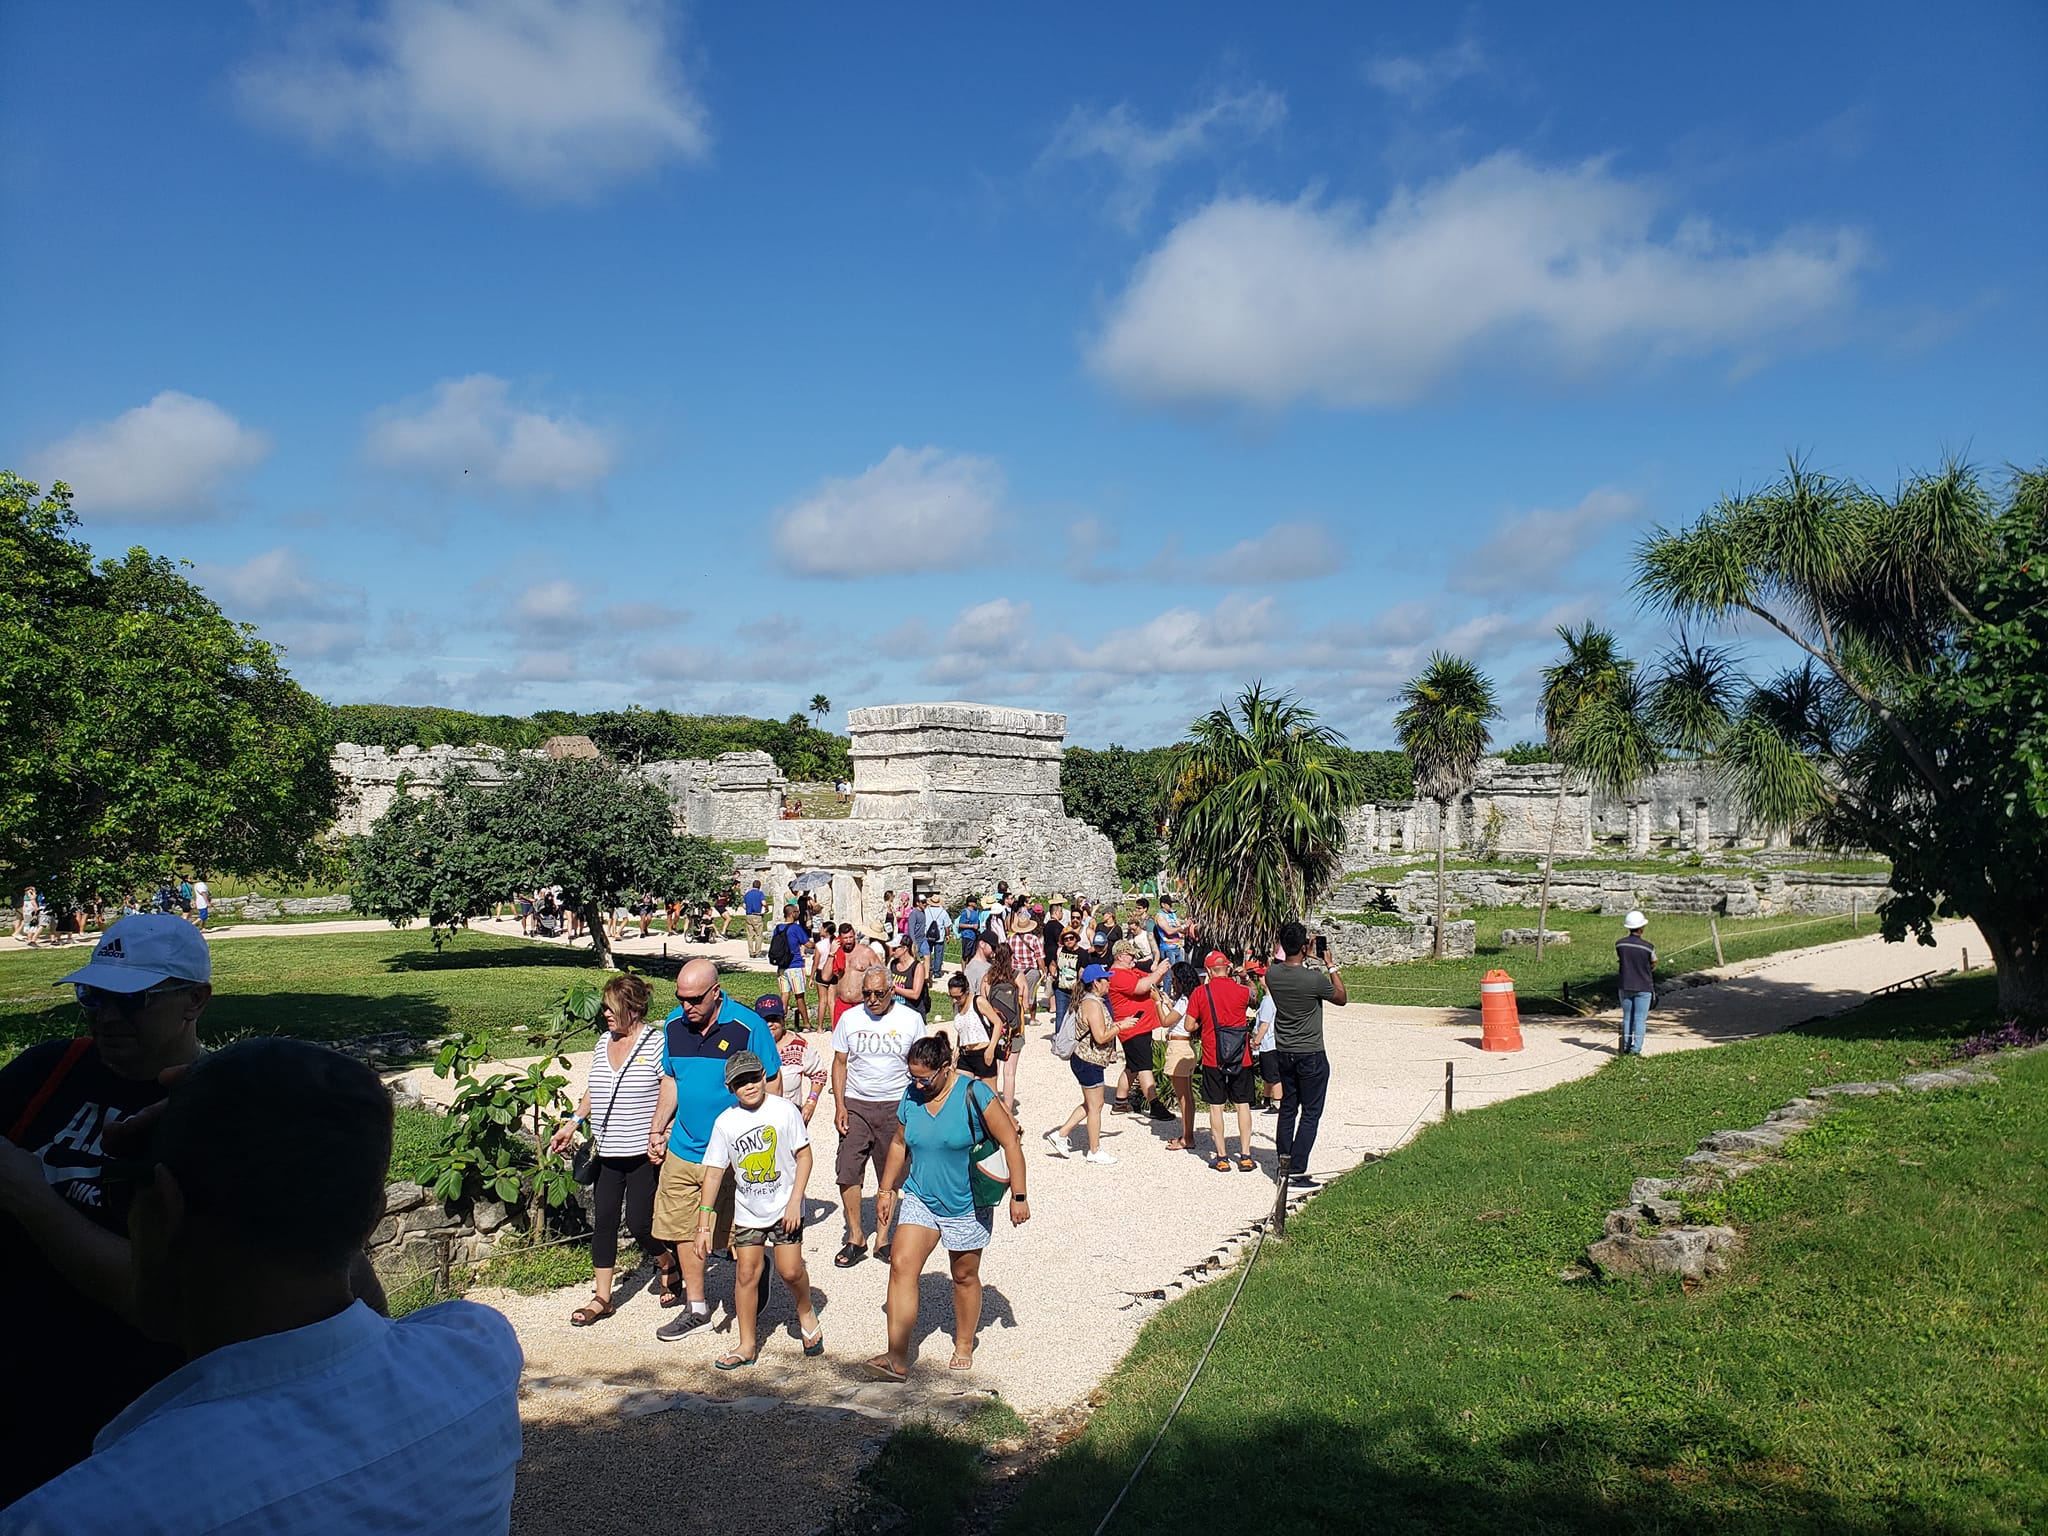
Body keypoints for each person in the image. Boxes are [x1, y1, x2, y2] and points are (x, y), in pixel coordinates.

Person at [2, 1038, 521, 1532]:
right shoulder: (479, 1352)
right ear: (374, 1217)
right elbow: (373, 1324)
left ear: (164, 1207)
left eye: (121, 1193)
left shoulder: (74, 1515)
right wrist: (294, 1098)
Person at [0, 916, 212, 1503]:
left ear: (195, 1001)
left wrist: (30, 1197)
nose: (106, 1017)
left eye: (132, 999)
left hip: (122, 1412)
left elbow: (166, 1298)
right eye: (92, 995)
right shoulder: (50, 1069)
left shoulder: (214, 1110)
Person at [866, 1036, 1029, 1380]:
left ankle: (964, 1343)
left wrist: (1019, 1196)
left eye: (924, 1078)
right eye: (912, 1077)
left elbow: (1010, 1142)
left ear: (945, 1068)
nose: (917, 1084)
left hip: (965, 1202)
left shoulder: (975, 1093)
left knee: (963, 1275)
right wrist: (885, 1190)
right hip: (921, 1196)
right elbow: (898, 1143)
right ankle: (896, 1357)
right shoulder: (912, 1096)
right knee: (901, 1265)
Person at [646, 958, 784, 1342]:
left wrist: (770, 1140)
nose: (686, 1006)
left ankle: (756, 1272)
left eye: (695, 999)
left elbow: (772, 1082)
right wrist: (657, 1128)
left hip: (735, 1154)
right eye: (681, 998)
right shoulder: (673, 1025)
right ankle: (697, 1309)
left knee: (738, 1232)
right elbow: (671, 1080)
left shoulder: (748, 1027)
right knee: (682, 1228)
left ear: (716, 992)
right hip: (683, 1147)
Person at [546, 974, 666, 1325]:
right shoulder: (603, 1042)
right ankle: (602, 1297)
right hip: (607, 1150)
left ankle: (667, 1261)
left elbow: (669, 1091)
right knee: (605, 1222)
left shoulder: (656, 1044)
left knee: (641, 1224)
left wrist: (664, 1131)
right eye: (604, 1008)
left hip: (642, 1152)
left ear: (634, 1008)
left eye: (612, 1008)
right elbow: (596, 1089)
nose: (606, 1014)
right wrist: (572, 1123)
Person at [697, 1051, 824, 1370]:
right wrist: (703, 1224)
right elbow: (713, 1173)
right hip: (748, 1210)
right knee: (746, 1273)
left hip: (785, 1204)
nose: (749, 1085)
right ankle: (747, 1344)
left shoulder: (785, 1111)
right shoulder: (726, 1122)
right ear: (730, 1088)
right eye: (740, 1082)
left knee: (790, 1270)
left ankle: (805, 1309)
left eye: (754, 1078)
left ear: (764, 1076)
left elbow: (804, 1157)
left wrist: (795, 1201)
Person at [828, 970, 926, 1268]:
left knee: (890, 1173)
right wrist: (839, 1105)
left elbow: (922, 1063)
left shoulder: (911, 1020)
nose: (872, 999)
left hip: (896, 1104)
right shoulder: (850, 1019)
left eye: (879, 994)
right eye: (867, 993)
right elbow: (840, 1062)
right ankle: (856, 1236)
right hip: (857, 1103)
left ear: (891, 991)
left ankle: (883, 1239)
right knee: (848, 1169)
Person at [1265, 920, 1347, 1189]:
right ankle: (1297, 1169)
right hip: (1310, 1051)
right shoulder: (1313, 979)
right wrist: (1329, 964)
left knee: (1288, 1108)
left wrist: (1302, 955)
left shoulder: (1272, 975)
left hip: (1284, 1050)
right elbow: (1341, 997)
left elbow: (1284, 964)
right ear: (1303, 946)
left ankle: (1283, 1163)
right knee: (1311, 1112)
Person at [1185, 951, 1258, 1171]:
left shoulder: (1200, 992)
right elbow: (1254, 996)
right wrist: (1245, 978)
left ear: (1208, 971)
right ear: (1227, 968)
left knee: (1216, 1107)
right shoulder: (1241, 991)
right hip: (1240, 1055)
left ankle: (1222, 1157)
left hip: (1213, 1055)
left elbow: (1188, 1025)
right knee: (1242, 1105)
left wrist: (1203, 1023)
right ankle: (1245, 1155)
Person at [1045, 963, 1119, 1164]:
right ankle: (1094, 1150)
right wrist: (1120, 1027)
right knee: (1096, 1106)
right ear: (1096, 983)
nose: (1109, 983)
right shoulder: (1092, 1004)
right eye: (1106, 979)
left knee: (1092, 1103)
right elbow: (1101, 1036)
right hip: (1089, 1060)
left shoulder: (1090, 1001)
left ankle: (1061, 1134)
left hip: (1086, 1059)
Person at [1108, 941, 1176, 1121]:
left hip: (1140, 1026)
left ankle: (1120, 1102)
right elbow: (1140, 987)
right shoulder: (1116, 975)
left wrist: (1160, 972)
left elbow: (1150, 981)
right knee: (1144, 1065)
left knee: (1133, 1065)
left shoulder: (1131, 971)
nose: (1134, 958)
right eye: (1130, 955)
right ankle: (1155, 1105)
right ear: (1120, 956)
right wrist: (1159, 972)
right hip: (1132, 1028)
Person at [1156, 959, 1203, 1152]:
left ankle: (1187, 1138)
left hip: (1178, 1046)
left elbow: (1166, 1021)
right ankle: (1187, 1134)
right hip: (1186, 1046)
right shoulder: (1190, 998)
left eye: (1175, 979)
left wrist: (1157, 1002)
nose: (1173, 983)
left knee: (1183, 1096)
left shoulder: (1184, 1000)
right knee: (1188, 1096)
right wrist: (1169, 1003)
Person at [978, 942, 1025, 1112]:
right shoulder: (1018, 977)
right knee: (1010, 1072)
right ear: (1011, 957)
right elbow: (1026, 1003)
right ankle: (1008, 1110)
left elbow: (983, 1004)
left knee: (993, 1070)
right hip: (1015, 1030)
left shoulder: (987, 978)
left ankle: (992, 1108)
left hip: (994, 1030)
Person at [1617, 911, 1656, 1055]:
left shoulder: (1620, 944)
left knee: (1627, 1017)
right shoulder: (1648, 947)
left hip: (1625, 984)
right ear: (1642, 928)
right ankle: (1636, 1049)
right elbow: (1654, 961)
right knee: (1640, 1019)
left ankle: (1626, 1046)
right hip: (1643, 985)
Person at [769, 903, 812, 1030]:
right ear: (793, 913)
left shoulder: (778, 928)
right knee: (799, 996)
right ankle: (806, 1024)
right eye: (797, 911)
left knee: (784, 995)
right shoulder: (796, 928)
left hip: (782, 966)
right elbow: (808, 944)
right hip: (795, 965)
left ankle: (781, 1023)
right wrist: (818, 944)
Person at [1008, 908, 1045, 1025]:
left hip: (1015, 971)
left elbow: (1008, 955)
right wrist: (1044, 970)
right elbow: (1039, 957)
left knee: (1017, 994)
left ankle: (1018, 1017)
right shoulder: (1034, 939)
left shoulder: (1011, 939)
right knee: (1032, 994)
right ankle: (1032, 1018)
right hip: (1031, 970)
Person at [888, 933, 930, 1016]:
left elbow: (915, 994)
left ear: (904, 949)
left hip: (913, 1012)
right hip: (896, 1010)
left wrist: (894, 988)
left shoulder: (917, 967)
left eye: (894, 948)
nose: (892, 951)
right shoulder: (893, 964)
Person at [920, 892, 950, 979]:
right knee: (939, 954)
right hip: (939, 936)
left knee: (927, 952)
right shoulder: (943, 912)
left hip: (928, 935)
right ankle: (936, 972)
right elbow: (947, 926)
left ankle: (929, 967)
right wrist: (947, 935)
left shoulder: (926, 911)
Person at [954, 896, 983, 971]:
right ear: (970, 903)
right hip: (967, 935)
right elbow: (960, 924)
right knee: (965, 955)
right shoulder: (965, 912)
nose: (976, 903)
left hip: (974, 936)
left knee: (972, 955)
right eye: (974, 902)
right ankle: (964, 972)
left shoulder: (976, 912)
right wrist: (972, 926)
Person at [742, 880, 768, 957]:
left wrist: (748, 909)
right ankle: (757, 952)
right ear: (759, 886)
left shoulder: (747, 894)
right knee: (758, 934)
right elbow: (763, 903)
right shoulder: (760, 893)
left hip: (748, 915)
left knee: (750, 935)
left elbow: (744, 905)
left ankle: (751, 952)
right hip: (757, 915)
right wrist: (766, 908)